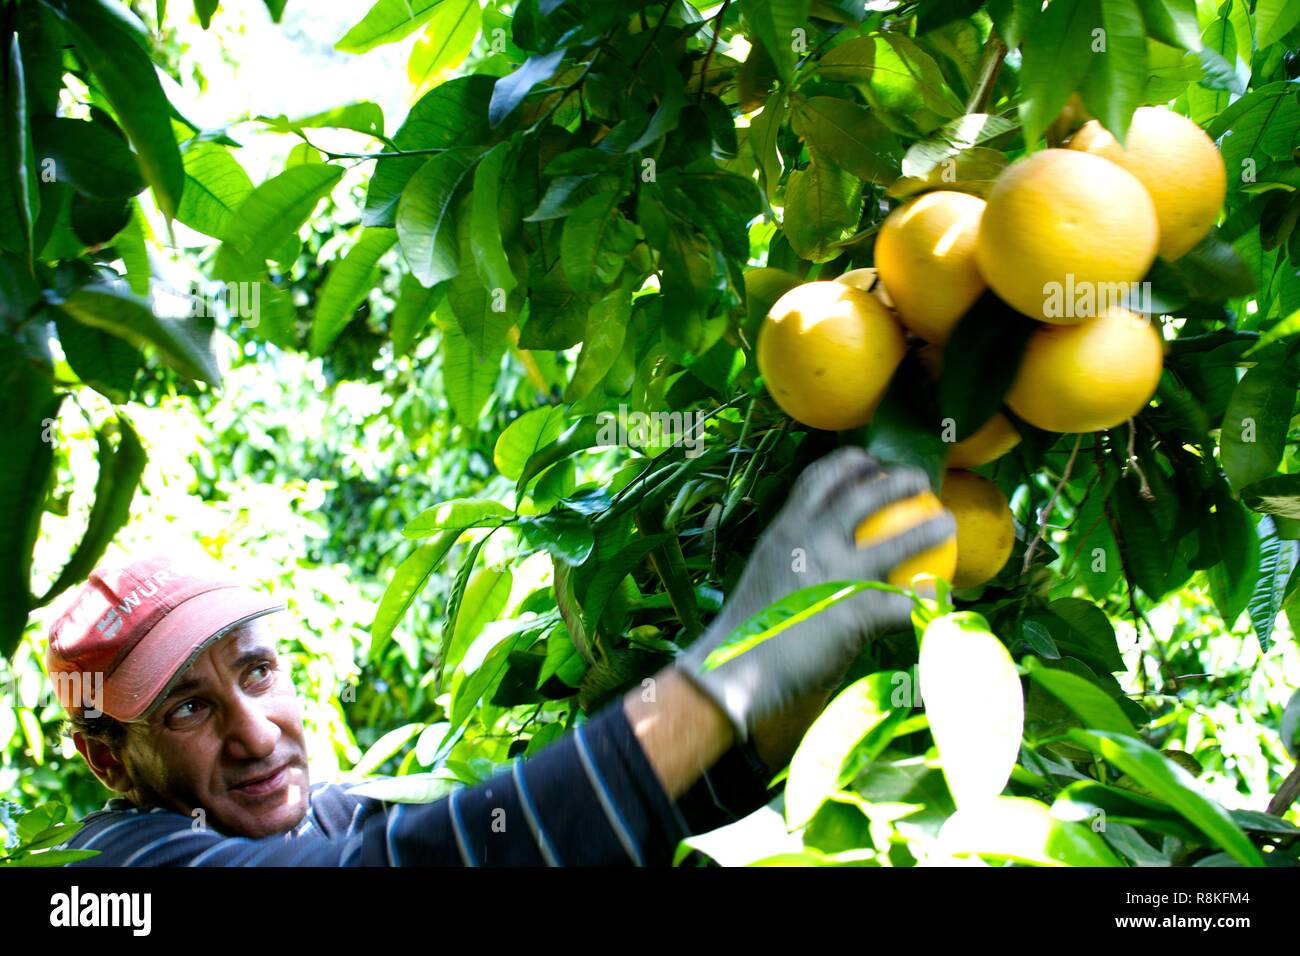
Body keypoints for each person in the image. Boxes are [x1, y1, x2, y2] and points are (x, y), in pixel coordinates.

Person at [47, 448, 953, 866]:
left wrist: (791, 682)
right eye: (188, 710)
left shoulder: (338, 815)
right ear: (110, 759)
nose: (254, 733)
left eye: (256, 672)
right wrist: (732, 674)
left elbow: (596, 833)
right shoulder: (124, 870)